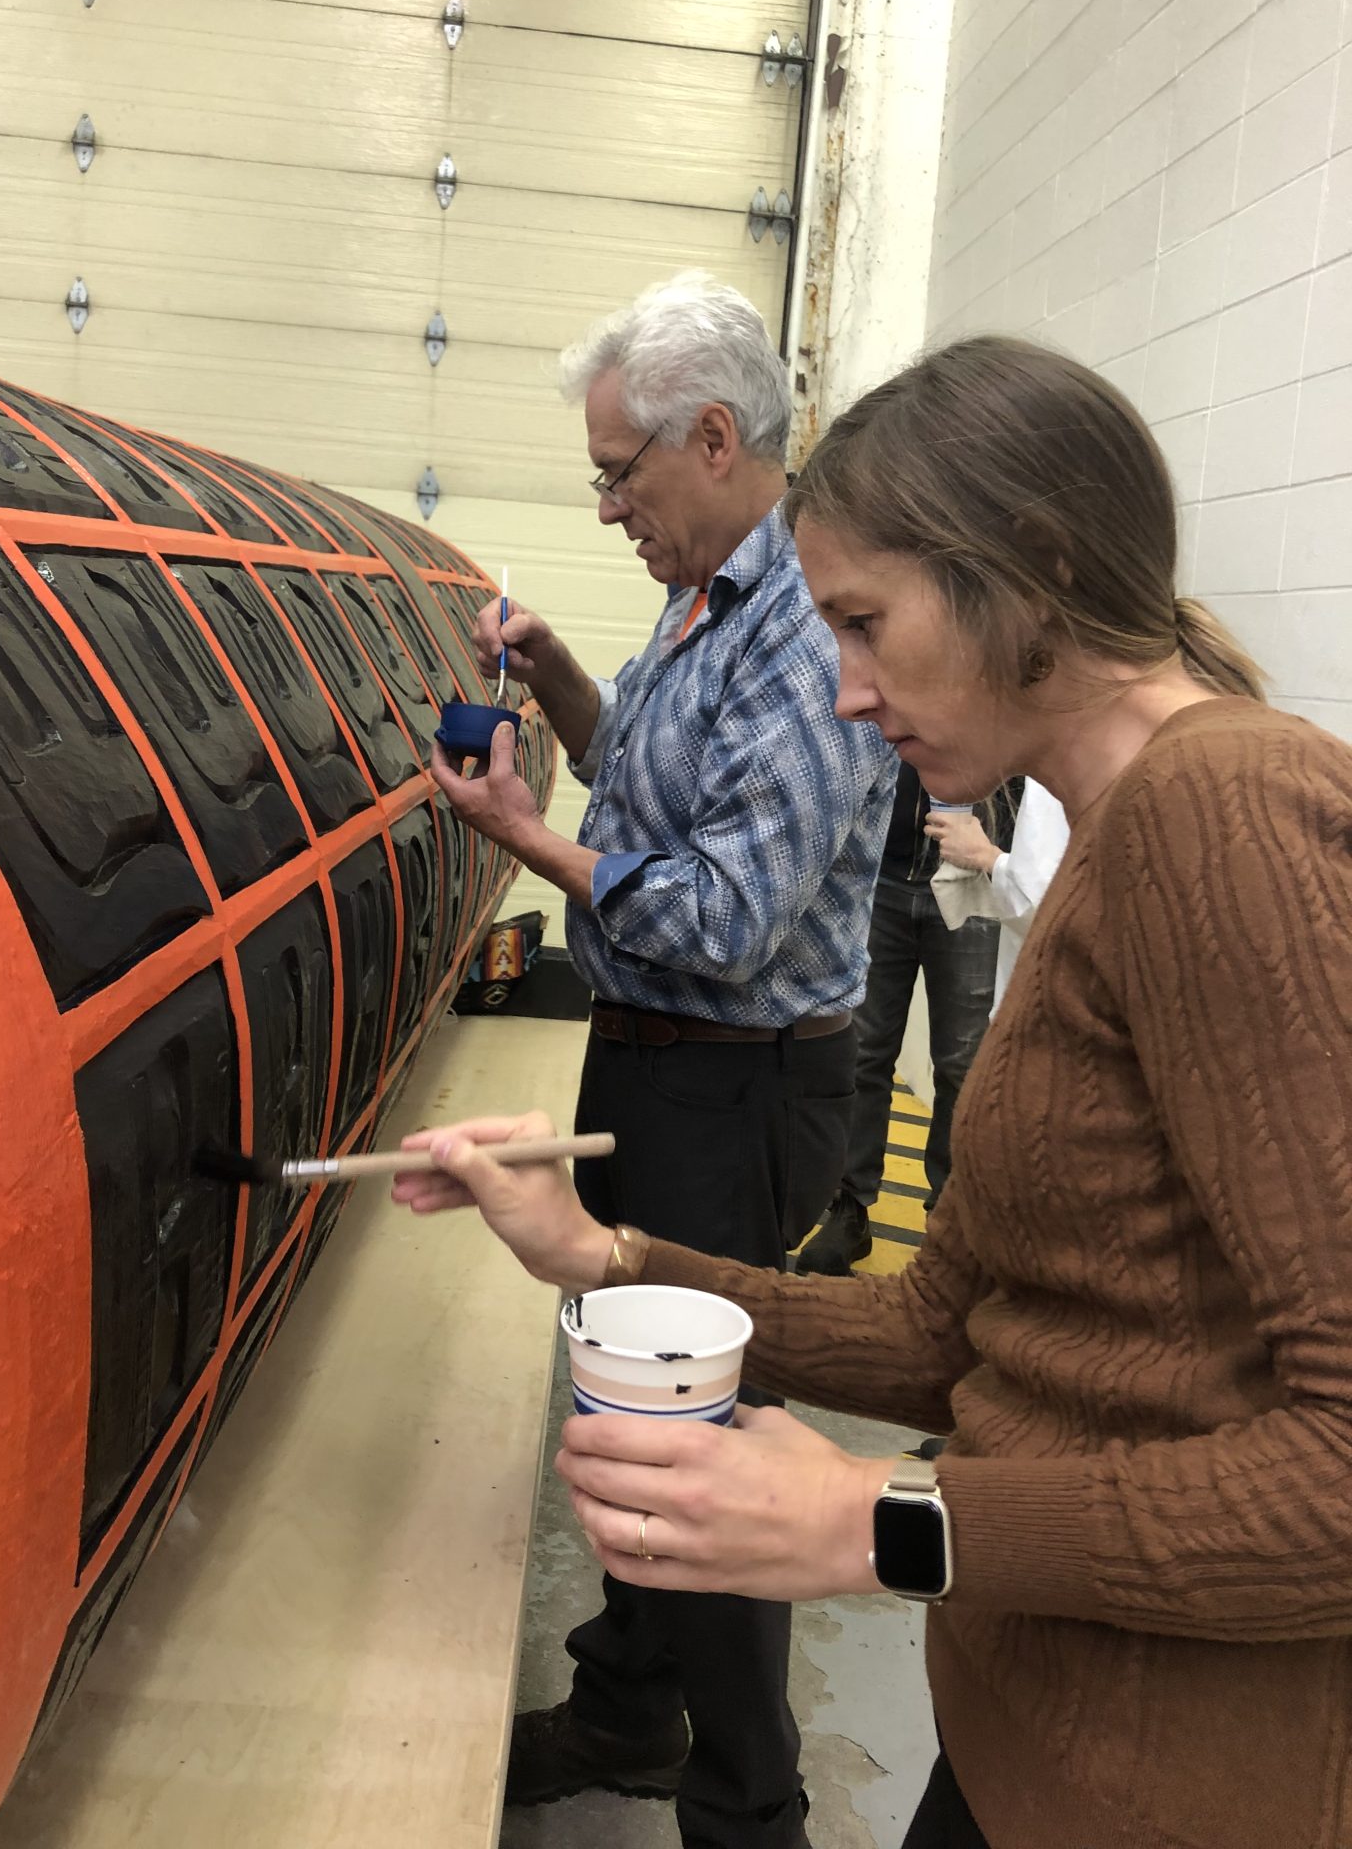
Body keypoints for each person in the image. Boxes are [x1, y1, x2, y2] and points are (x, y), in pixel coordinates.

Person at [397, 335, 1352, 1849]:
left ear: (1022, 578)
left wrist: (885, 1523)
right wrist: (607, 1256)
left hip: (1164, 1783)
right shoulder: (1105, 834)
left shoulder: (1222, 815)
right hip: (1029, 1729)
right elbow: (953, 1329)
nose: (842, 696)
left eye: (863, 624)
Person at [427, 273, 895, 1849]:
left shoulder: (810, 622)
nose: (613, 503)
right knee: (628, 1405)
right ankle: (630, 1706)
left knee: (699, 1441)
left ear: (714, 436)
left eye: (621, 473)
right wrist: (560, 676)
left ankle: (753, 1804)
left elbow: (730, 912)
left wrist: (523, 841)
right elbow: (648, 763)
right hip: (652, 1063)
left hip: (738, 1081)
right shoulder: (705, 593)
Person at [795, 763, 1010, 1277]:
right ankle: (849, 1210)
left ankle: (949, 1225)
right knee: (862, 1052)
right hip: (881, 874)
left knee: (964, 1065)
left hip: (976, 876)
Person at [924, 779, 1070, 1015]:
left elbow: (1038, 898)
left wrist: (988, 857)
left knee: (965, 1039)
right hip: (896, 876)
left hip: (995, 889)